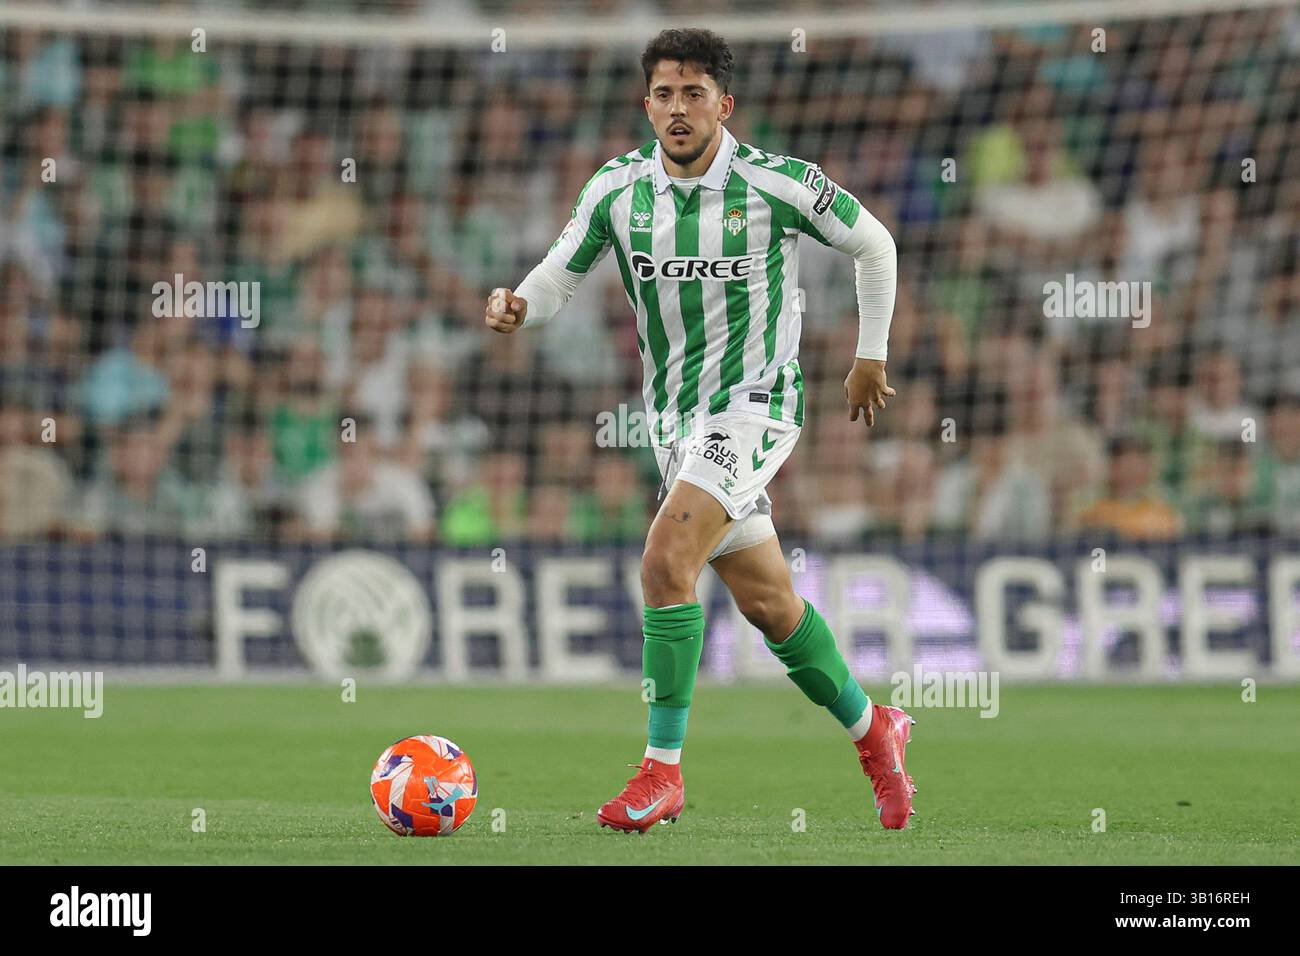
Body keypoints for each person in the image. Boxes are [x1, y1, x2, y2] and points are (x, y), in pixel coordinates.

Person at [484, 29, 915, 832]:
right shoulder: (617, 189)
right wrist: (517, 306)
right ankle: (874, 729)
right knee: (769, 604)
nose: (676, 109)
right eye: (662, 94)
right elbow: (557, 275)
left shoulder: (775, 183)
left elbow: (874, 244)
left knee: (664, 557)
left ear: (724, 103)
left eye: (692, 93)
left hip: (757, 405)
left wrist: (869, 356)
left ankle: (662, 773)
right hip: (676, 423)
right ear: (646, 104)